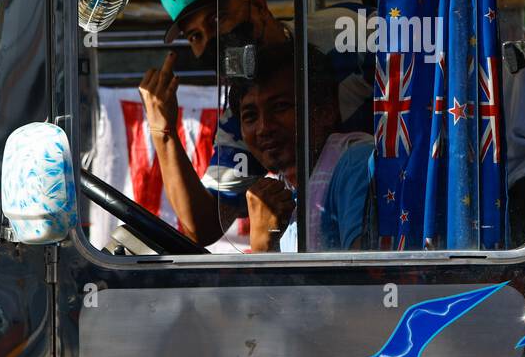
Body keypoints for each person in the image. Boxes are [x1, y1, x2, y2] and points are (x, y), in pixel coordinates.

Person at [141, 0, 371, 245]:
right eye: (195, 36)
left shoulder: (352, 33)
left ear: (259, 5)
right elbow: (206, 224)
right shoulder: (242, 119)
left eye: (217, 18)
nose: (211, 42)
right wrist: (163, 132)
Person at [143, 44, 373, 253]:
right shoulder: (285, 193)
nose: (264, 128)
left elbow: (362, 282)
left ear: (325, 111)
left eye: (281, 107)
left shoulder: (355, 163)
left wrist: (263, 247)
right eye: (250, 116)